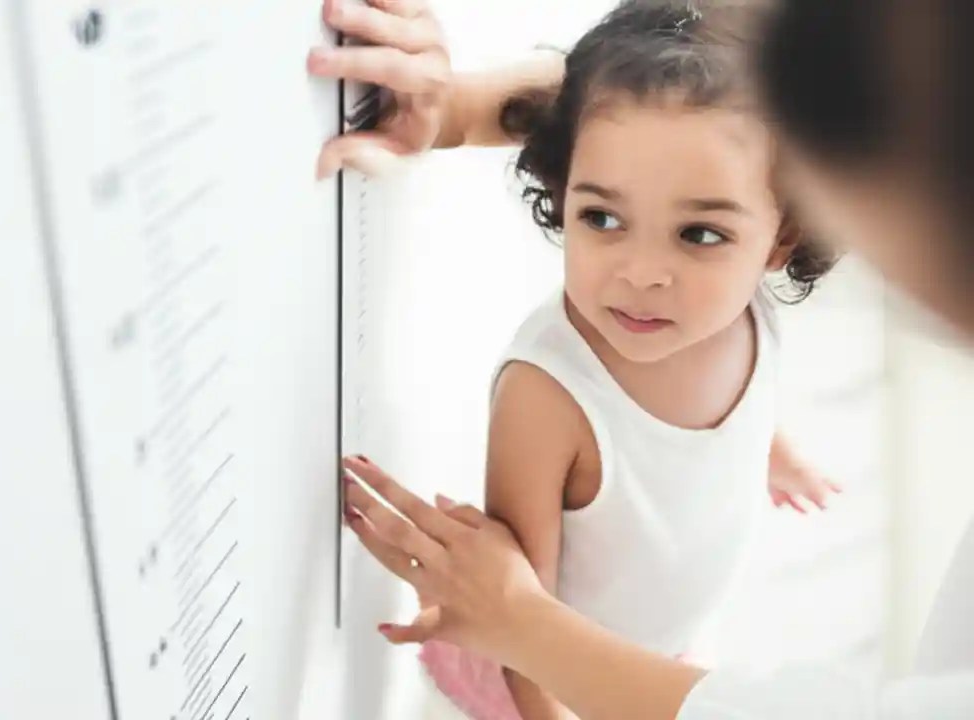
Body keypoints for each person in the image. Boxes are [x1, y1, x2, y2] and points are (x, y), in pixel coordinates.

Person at [310, 0, 974, 717]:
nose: (643, 274)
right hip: (535, 684)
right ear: (562, 199)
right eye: (601, 218)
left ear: (777, 243)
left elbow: (740, 393)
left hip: (649, 656)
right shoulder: (546, 397)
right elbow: (516, 622)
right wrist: (463, 107)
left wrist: (764, 446)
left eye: (699, 235)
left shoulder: (741, 313)